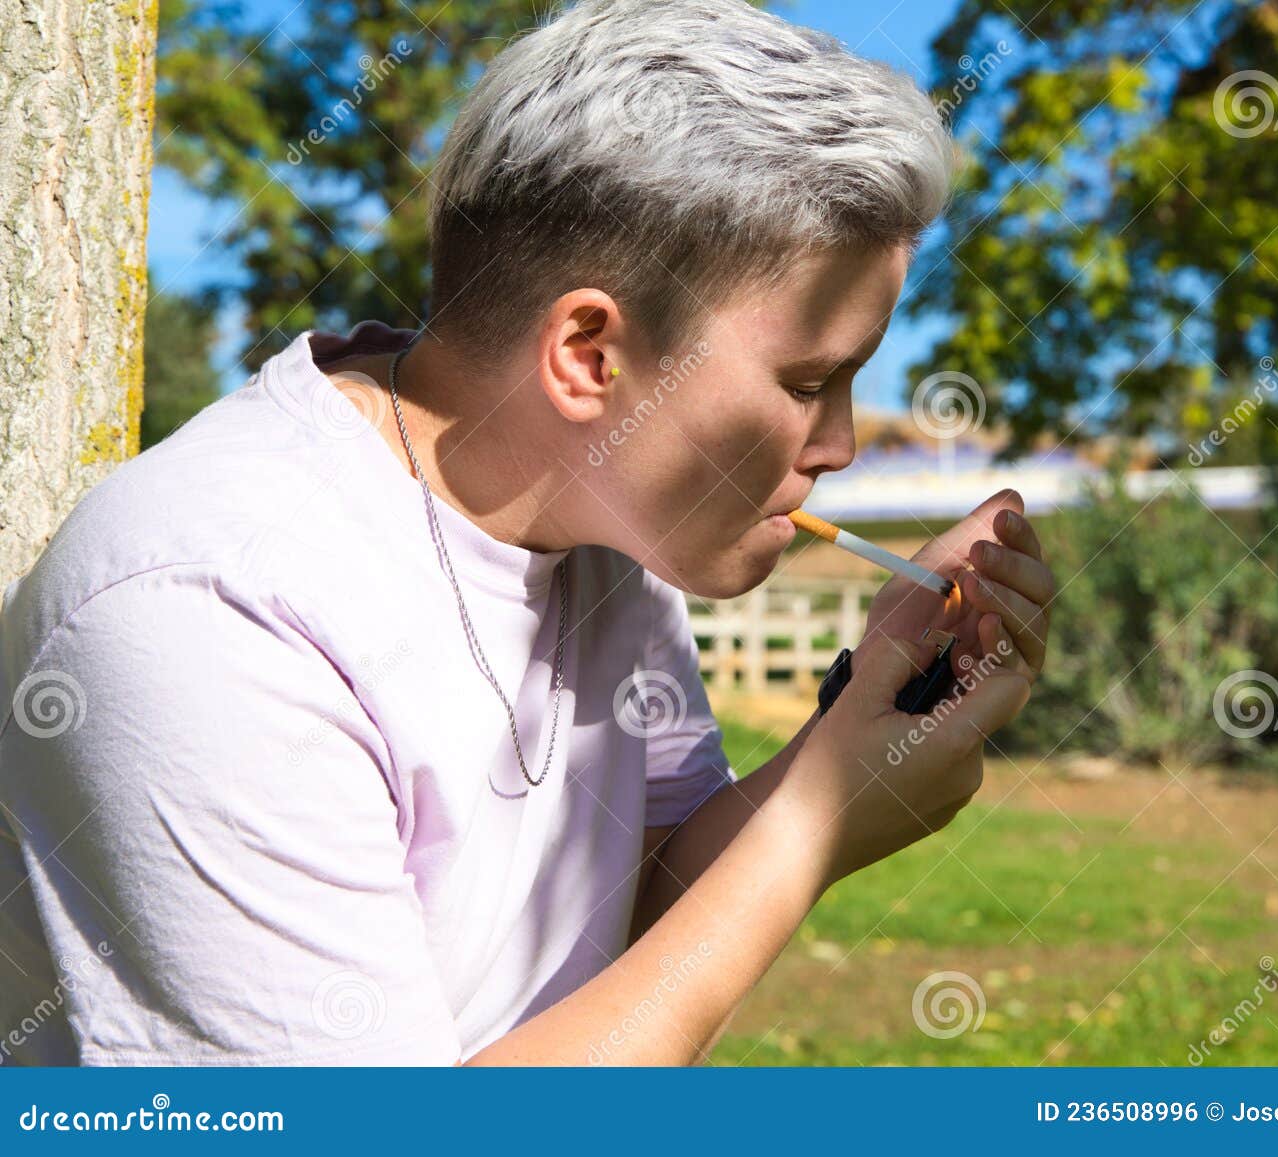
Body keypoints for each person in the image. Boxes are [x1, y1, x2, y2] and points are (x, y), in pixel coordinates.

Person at [0, 0, 1055, 1065]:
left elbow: (651, 900)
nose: (837, 444)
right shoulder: (211, 608)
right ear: (592, 356)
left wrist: (856, 740)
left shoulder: (600, 523)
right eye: (809, 382)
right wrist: (810, 828)